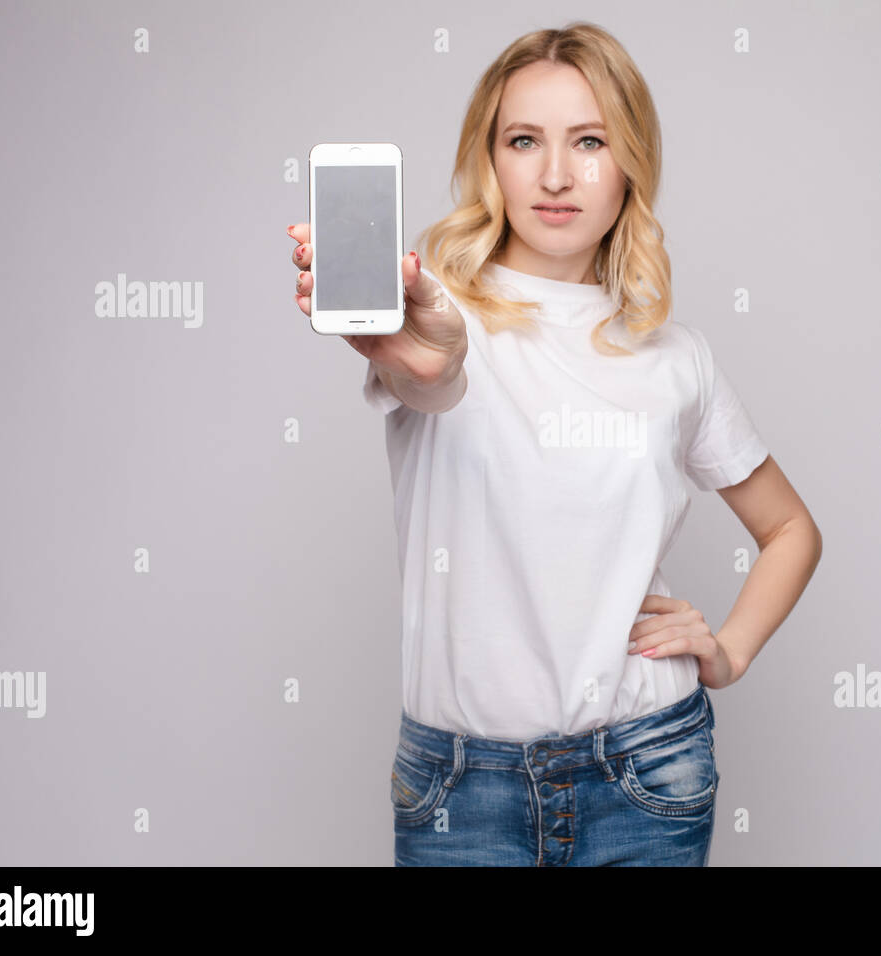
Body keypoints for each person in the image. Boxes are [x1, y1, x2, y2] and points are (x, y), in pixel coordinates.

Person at [287, 22, 822, 866]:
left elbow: (792, 531)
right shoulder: (434, 312)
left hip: (648, 774)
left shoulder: (676, 357)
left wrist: (727, 650)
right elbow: (436, 371)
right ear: (491, 161)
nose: (557, 174)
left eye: (590, 141)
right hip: (461, 791)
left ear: (630, 163)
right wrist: (425, 346)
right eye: (524, 140)